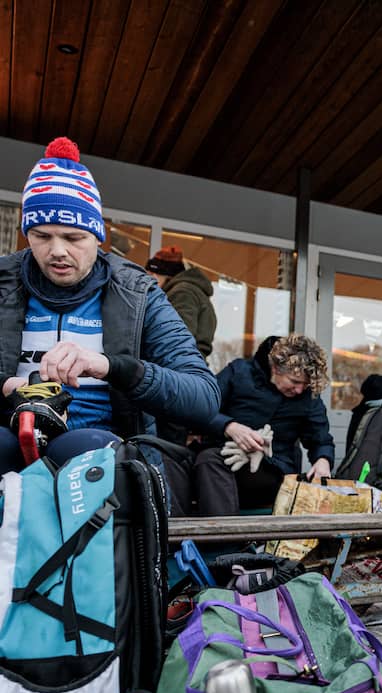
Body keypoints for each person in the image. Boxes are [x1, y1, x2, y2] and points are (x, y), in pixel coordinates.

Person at [0, 137, 219, 474]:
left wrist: (111, 367)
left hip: (103, 454)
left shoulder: (137, 292)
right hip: (11, 442)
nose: (57, 250)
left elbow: (204, 398)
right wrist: (6, 386)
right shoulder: (4, 281)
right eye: (42, 236)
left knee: (88, 449)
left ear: (97, 235)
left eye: (73, 238)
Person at [190, 334, 333, 516]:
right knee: (180, 458)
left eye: (305, 385)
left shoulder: (308, 397)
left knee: (210, 461)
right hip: (223, 456)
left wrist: (323, 461)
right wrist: (229, 426)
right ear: (275, 368)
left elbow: (320, 439)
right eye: (295, 382)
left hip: (273, 470)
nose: (299, 390)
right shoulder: (239, 372)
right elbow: (201, 409)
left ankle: (224, 543)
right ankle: (183, 540)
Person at [145, 246, 217, 360]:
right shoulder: (189, 291)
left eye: (149, 275)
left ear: (155, 275)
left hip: (180, 366)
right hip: (187, 364)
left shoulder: (182, 293)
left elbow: (178, 339)